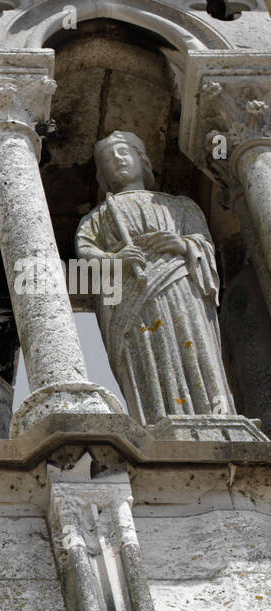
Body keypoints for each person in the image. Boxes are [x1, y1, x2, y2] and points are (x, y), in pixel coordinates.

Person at [76, 130, 235, 425]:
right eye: (108, 160)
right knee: (144, 355)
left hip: (179, 286)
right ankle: (156, 419)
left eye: (124, 152)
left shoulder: (180, 206)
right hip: (129, 294)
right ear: (102, 175)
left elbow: (204, 246)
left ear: (142, 160)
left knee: (191, 342)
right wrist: (116, 259)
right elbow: (86, 254)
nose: (117, 160)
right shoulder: (97, 218)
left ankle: (213, 414)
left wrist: (182, 244)